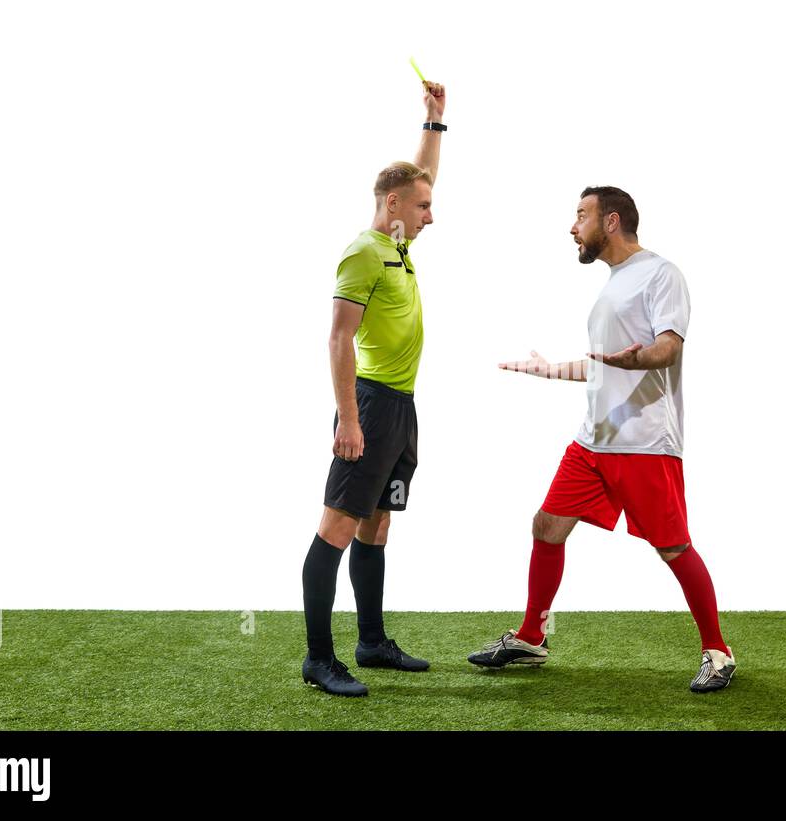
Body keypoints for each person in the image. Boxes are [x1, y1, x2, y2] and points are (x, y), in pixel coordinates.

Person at [467, 186, 737, 693]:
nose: (573, 227)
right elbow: (604, 368)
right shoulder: (613, 284)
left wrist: (637, 359)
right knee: (547, 527)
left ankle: (718, 653)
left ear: (611, 221)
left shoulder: (661, 274)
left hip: (643, 441)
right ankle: (531, 636)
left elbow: (666, 350)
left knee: (673, 547)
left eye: (581, 216)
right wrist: (550, 370)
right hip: (594, 440)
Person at [300, 79, 447, 697]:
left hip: (402, 406)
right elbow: (338, 339)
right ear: (392, 206)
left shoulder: (398, 245)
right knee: (336, 525)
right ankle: (318, 658)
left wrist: (434, 122)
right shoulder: (363, 252)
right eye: (420, 207)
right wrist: (348, 420)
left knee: (378, 523)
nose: (430, 214)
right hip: (368, 405)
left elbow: (421, 176)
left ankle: (371, 641)